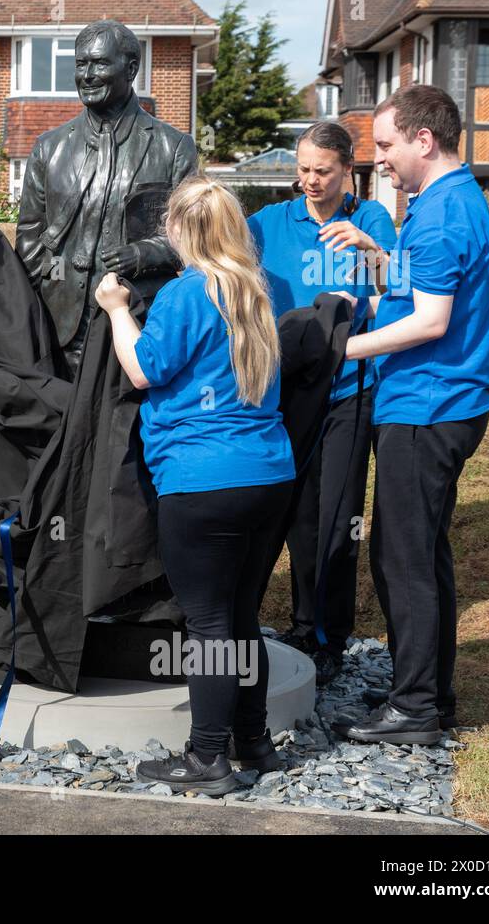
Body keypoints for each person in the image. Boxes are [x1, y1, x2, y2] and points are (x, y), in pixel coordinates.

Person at [94, 176, 296, 795]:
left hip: (201, 479)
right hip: (269, 475)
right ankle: (253, 739)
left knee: (207, 625)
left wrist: (116, 309)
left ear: (179, 231)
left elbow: (144, 368)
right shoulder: (257, 293)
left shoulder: (187, 293)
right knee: (241, 618)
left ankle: (208, 758)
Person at [332, 85, 489, 745]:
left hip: (430, 404)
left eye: (385, 145)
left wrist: (338, 349)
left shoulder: (437, 216)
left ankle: (414, 711)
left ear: (423, 140)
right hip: (445, 401)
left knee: (402, 557)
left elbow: (430, 321)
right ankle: (430, 693)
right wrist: (380, 262)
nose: (378, 159)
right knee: (423, 553)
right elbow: (425, 290)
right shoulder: (451, 198)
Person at [245, 121, 397, 685]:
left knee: (336, 517)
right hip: (282, 389)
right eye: (304, 169)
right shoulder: (269, 222)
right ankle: (295, 622)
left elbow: (403, 286)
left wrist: (373, 253)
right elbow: (222, 253)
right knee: (291, 511)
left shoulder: (369, 219)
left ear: (347, 171)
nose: (310, 180)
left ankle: (327, 637)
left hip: (345, 392)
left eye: (323, 171)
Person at [17, 19, 197, 374]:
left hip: (138, 320)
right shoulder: (49, 147)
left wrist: (142, 254)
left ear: (131, 68)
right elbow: (29, 238)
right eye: (81, 64)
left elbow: (192, 238)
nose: (87, 75)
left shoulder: (173, 147)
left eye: (99, 63)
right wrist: (59, 275)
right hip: (62, 327)